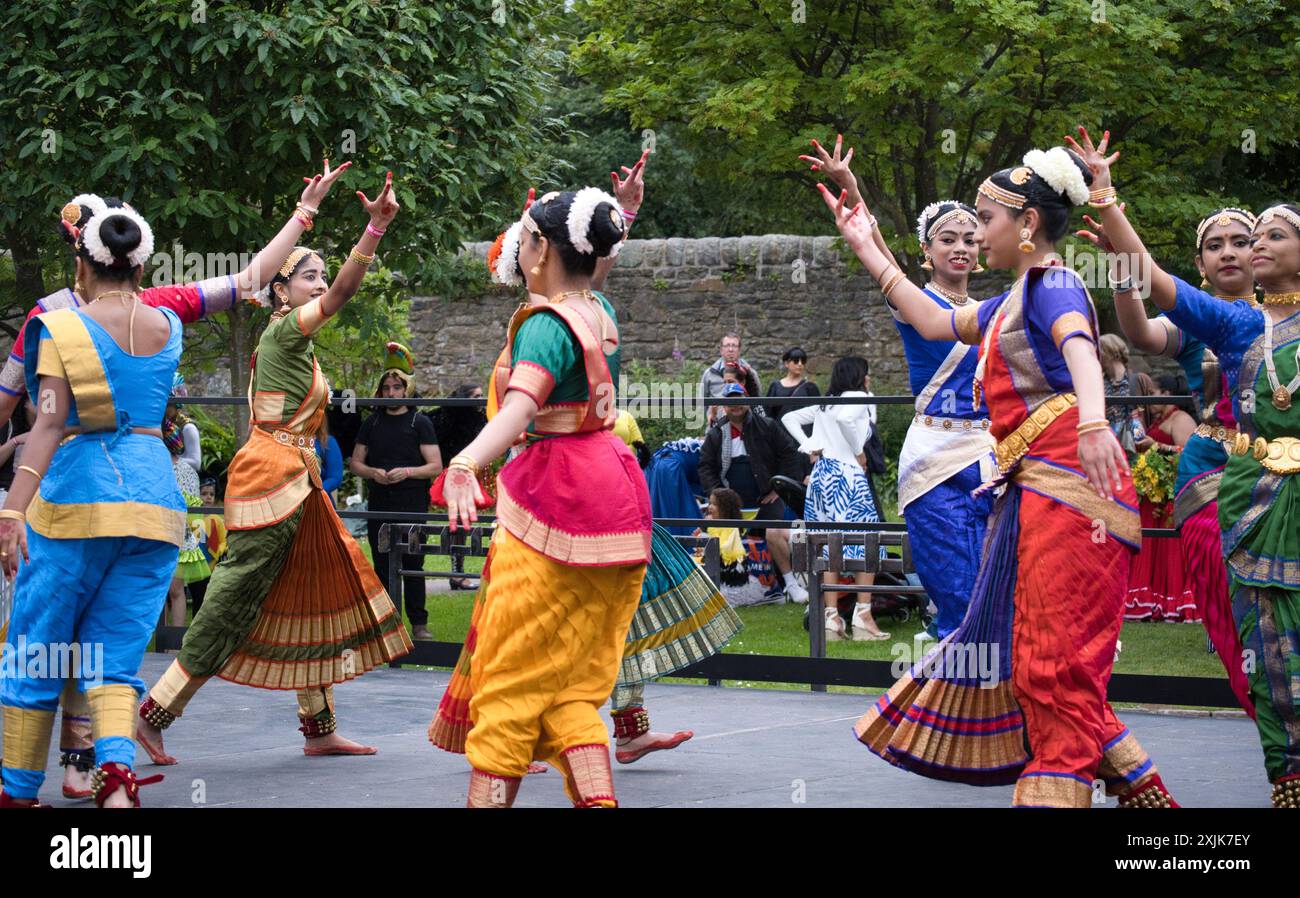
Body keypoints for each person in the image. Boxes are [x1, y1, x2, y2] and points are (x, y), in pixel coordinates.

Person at [823, 139, 1176, 807]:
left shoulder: (1053, 284)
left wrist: (1098, 422)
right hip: (1035, 485)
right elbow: (931, 319)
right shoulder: (1010, 301)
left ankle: (1070, 786)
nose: (977, 234)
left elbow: (1079, 346)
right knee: (1041, 660)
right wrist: (867, 245)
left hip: (1070, 483)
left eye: (985, 219)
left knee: (1047, 663)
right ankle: (1146, 796)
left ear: (1028, 224)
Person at [136, 171, 412, 767]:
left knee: (309, 592)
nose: (320, 285)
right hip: (273, 477)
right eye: (309, 276)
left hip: (297, 480)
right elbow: (342, 296)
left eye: (319, 274)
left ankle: (318, 728)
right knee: (233, 598)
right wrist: (374, 230)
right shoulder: (286, 332)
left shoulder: (294, 343)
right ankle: (152, 714)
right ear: (281, 292)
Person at [1078, 124, 1300, 804]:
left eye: (1269, 234)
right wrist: (1105, 195)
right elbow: (1148, 292)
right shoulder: (1237, 326)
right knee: (1273, 650)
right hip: (1256, 500)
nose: (1253, 245)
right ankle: (1289, 774)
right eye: (1238, 238)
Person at [429, 182, 653, 807]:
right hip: (615, 493)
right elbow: (595, 261)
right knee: (574, 691)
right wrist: (623, 213)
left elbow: (522, 406)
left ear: (541, 250)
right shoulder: (597, 311)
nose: (520, 248)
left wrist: (466, 461)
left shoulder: (545, 325)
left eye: (526, 238)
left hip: (557, 497)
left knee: (507, 683)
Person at [0, 203, 185, 807]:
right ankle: (114, 782)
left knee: (37, 649)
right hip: (156, 507)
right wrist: (307, 212)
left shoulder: (60, 327)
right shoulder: (169, 325)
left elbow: (47, 427)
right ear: (140, 262)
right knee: (113, 658)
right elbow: (251, 276)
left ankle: (19, 793)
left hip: (76, 504)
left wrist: (11, 511)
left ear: (83, 263)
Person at [805, 139, 997, 640]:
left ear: (981, 251)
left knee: (996, 579)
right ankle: (954, 690)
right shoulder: (915, 301)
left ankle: (992, 692)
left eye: (970, 239)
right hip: (934, 453)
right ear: (926, 250)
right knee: (955, 581)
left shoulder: (991, 311)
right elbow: (875, 248)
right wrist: (850, 185)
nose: (960, 246)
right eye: (948, 238)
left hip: (989, 455)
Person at [1079, 204, 1258, 712]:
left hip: (1281, 467)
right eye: (1214, 246)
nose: (1228, 252)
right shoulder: (1197, 321)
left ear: (1262, 250)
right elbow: (1138, 334)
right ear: (1199, 266)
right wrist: (1122, 272)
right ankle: (1264, 705)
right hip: (1215, 473)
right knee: (1236, 598)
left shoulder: (1283, 318)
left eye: (1240, 241)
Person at [782, 356, 889, 641]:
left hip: (821, 476)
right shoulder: (858, 396)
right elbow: (846, 421)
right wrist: (858, 449)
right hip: (846, 476)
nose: (869, 378)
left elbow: (788, 417)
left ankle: (832, 618)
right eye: (866, 373)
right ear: (857, 376)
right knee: (866, 540)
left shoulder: (828, 401)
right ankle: (863, 614)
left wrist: (809, 446)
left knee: (829, 542)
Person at [351, 342, 442, 639]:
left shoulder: (421, 422)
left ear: (406, 390)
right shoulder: (371, 422)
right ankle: (388, 624)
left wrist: (408, 472)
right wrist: (372, 473)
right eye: (386, 387)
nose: (391, 393)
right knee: (382, 563)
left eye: (396, 387)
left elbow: (435, 466)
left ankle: (419, 624)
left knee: (414, 563)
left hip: (412, 503)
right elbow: (355, 463)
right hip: (380, 503)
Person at [699, 382, 809, 604]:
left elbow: (790, 455)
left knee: (773, 532)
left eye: (739, 399)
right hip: (731, 503)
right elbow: (705, 466)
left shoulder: (767, 426)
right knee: (712, 532)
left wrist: (779, 488)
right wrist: (718, 496)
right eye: (730, 401)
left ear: (748, 401)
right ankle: (729, 587)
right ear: (724, 406)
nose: (736, 405)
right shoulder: (716, 434)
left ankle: (791, 583)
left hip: (766, 498)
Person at [1124, 373, 1198, 622]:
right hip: (1152, 496)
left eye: (1153, 392)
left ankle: (1172, 600)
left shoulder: (1181, 419)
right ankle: (1149, 599)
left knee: (1169, 552)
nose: (1150, 398)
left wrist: (1157, 446)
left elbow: (1189, 453)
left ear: (1167, 394)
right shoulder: (1158, 420)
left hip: (1169, 499)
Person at [432, 383, 488, 590]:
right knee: (458, 523)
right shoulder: (449, 416)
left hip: (471, 473)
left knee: (462, 524)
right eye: (475, 397)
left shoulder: (479, 418)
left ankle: (458, 574)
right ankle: (457, 575)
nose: (480, 402)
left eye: (481, 397)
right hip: (455, 475)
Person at [163, 376, 205, 627]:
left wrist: (171, 462)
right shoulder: (158, 424)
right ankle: (160, 637)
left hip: (184, 500)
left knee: (176, 587)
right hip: (165, 502)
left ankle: (174, 640)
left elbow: (196, 461)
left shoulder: (187, 428)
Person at [700, 333, 762, 428]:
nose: (730, 349)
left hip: (744, 425)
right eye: (727, 345)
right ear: (721, 350)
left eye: (734, 346)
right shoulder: (709, 374)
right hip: (717, 427)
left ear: (739, 350)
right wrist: (710, 417)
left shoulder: (750, 373)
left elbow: (757, 398)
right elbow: (702, 401)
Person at [188, 477, 227, 618]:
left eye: (211, 494)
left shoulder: (217, 519)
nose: (208, 497)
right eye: (204, 494)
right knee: (197, 599)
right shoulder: (192, 518)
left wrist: (222, 549)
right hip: (194, 567)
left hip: (211, 567)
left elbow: (223, 541)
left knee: (206, 601)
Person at [765, 347, 821, 421]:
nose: (800, 364)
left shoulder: (810, 387)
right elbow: (768, 413)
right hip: (779, 429)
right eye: (796, 361)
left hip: (801, 430)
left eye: (803, 361)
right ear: (786, 364)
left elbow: (817, 413)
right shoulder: (775, 386)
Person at [315, 414, 344, 504]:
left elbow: (335, 477)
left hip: (319, 502)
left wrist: (315, 493)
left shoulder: (328, 442)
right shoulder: (287, 440)